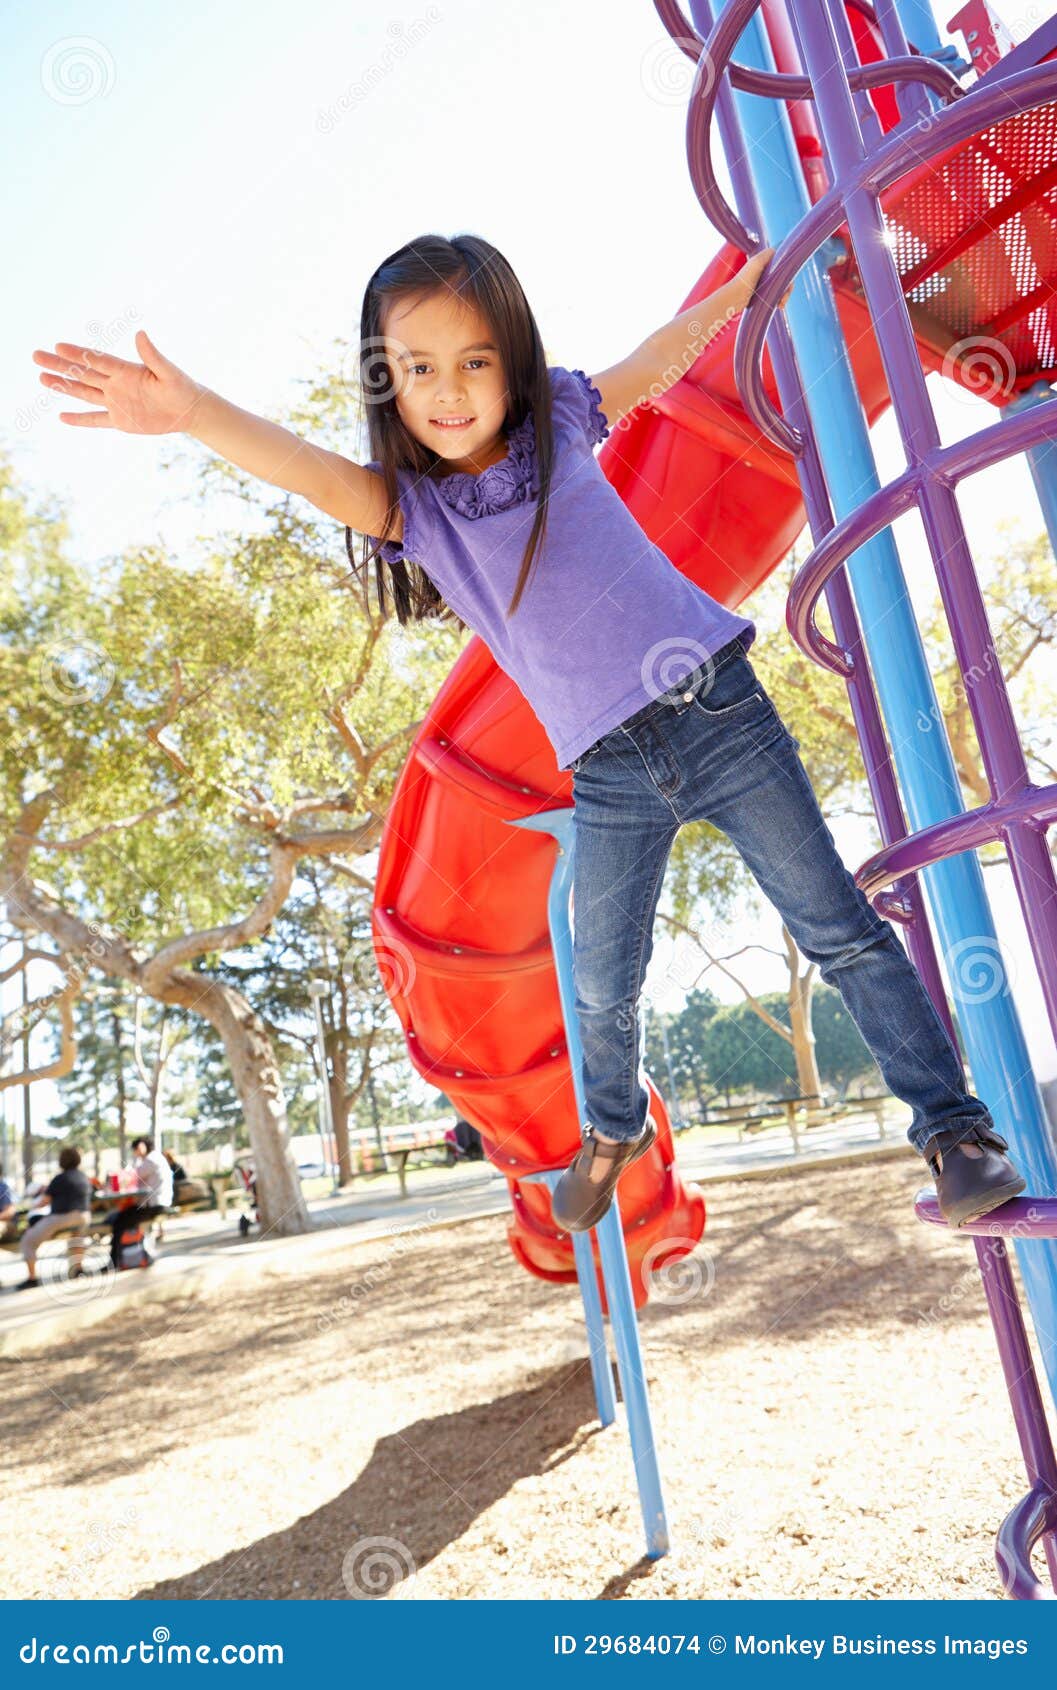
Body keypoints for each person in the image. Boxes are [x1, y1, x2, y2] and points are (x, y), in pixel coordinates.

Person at [30, 233, 1027, 1237]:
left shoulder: (557, 415)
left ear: (512, 359)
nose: (450, 389)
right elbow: (301, 469)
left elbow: (654, 360)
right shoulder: (414, 511)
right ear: (387, 381)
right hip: (610, 769)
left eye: (474, 360)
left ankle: (955, 1132)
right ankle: (611, 1129)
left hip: (721, 712)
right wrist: (193, 409)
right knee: (600, 984)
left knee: (837, 929)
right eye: (418, 367)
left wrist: (732, 294)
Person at [15, 1145, 93, 1290]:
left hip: (63, 1217)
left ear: (62, 1161)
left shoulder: (60, 1178)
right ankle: (79, 1269)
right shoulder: (83, 1177)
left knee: (28, 1241)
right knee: (76, 1238)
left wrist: (28, 1206)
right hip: (84, 1216)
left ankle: (32, 1278)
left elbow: (44, 1201)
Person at [104, 1136, 173, 1270]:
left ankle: (115, 1261)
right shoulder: (155, 1158)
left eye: (135, 1150)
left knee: (119, 1221)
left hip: (154, 1205)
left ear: (141, 1146)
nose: (135, 1153)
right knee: (121, 1217)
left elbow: (133, 1177)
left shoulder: (151, 1159)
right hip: (156, 1203)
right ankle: (121, 1258)